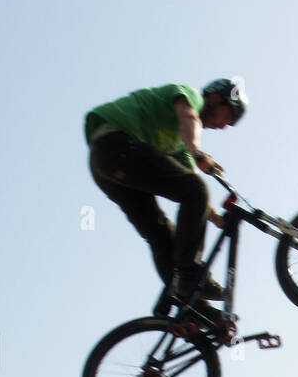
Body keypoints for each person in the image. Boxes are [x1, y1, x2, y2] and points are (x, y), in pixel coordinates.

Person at [84, 79, 246, 317]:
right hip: (115, 145)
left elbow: (192, 182)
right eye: (229, 116)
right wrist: (197, 151)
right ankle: (189, 276)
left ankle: (188, 305)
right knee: (195, 190)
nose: (224, 127)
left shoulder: (177, 144)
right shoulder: (190, 97)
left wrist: (219, 220)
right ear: (215, 98)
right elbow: (188, 116)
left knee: (160, 233)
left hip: (107, 168)